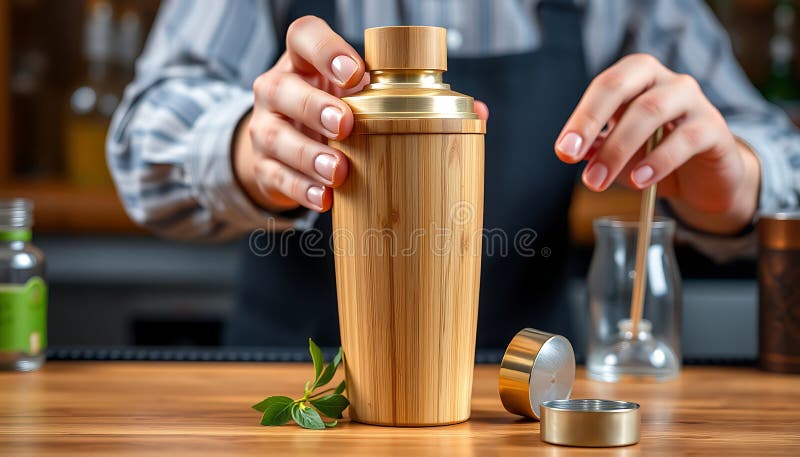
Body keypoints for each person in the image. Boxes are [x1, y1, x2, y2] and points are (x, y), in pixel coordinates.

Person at [107, 0, 799, 349]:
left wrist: (738, 183)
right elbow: (140, 140)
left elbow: (773, 148)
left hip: (527, 399)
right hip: (298, 392)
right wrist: (248, 147)